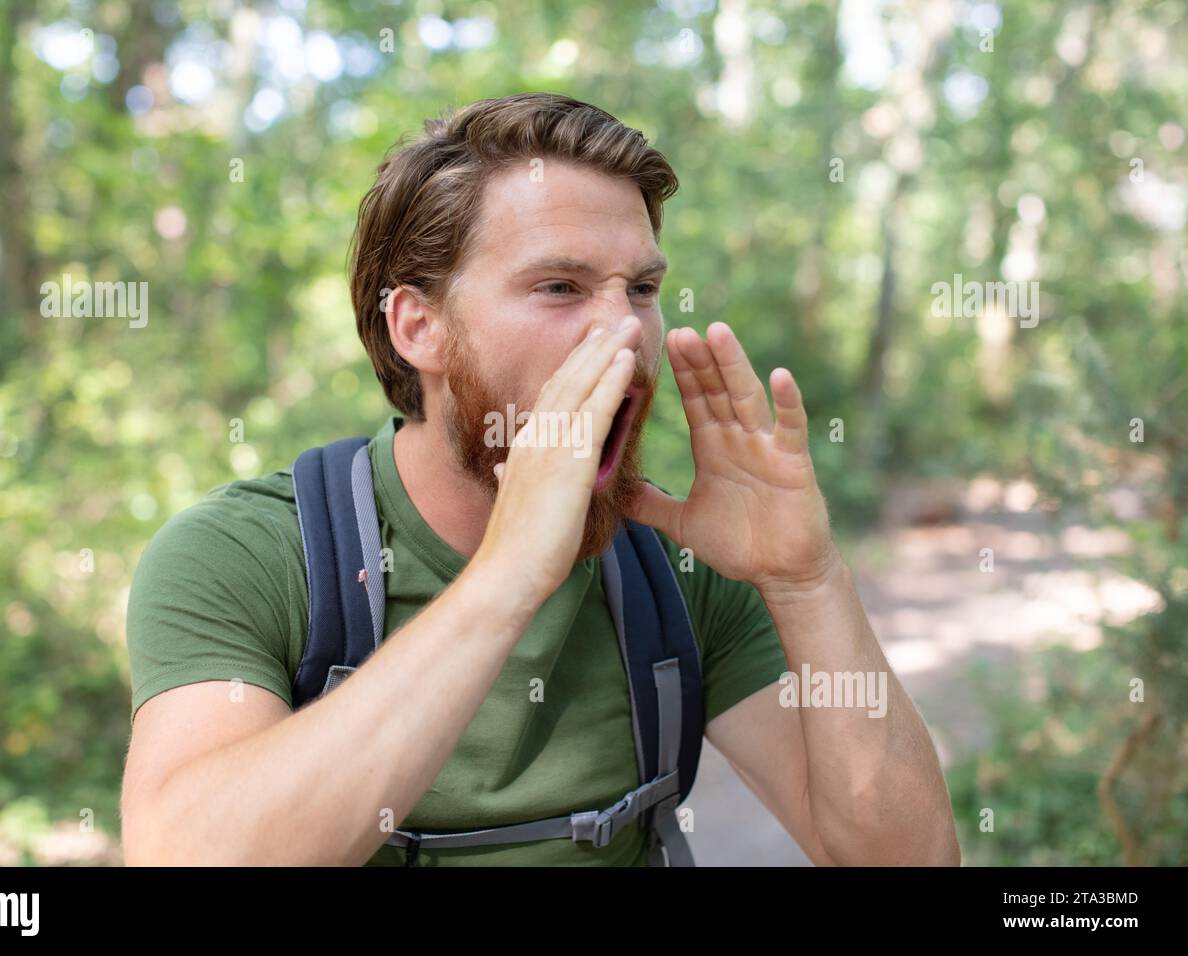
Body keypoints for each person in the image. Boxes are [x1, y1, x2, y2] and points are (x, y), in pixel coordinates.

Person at [120, 92, 960, 866]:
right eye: (559, 287)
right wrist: (509, 575)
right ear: (420, 326)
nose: (623, 333)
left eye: (640, 288)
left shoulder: (680, 564)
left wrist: (806, 580)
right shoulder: (248, 555)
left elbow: (905, 861)